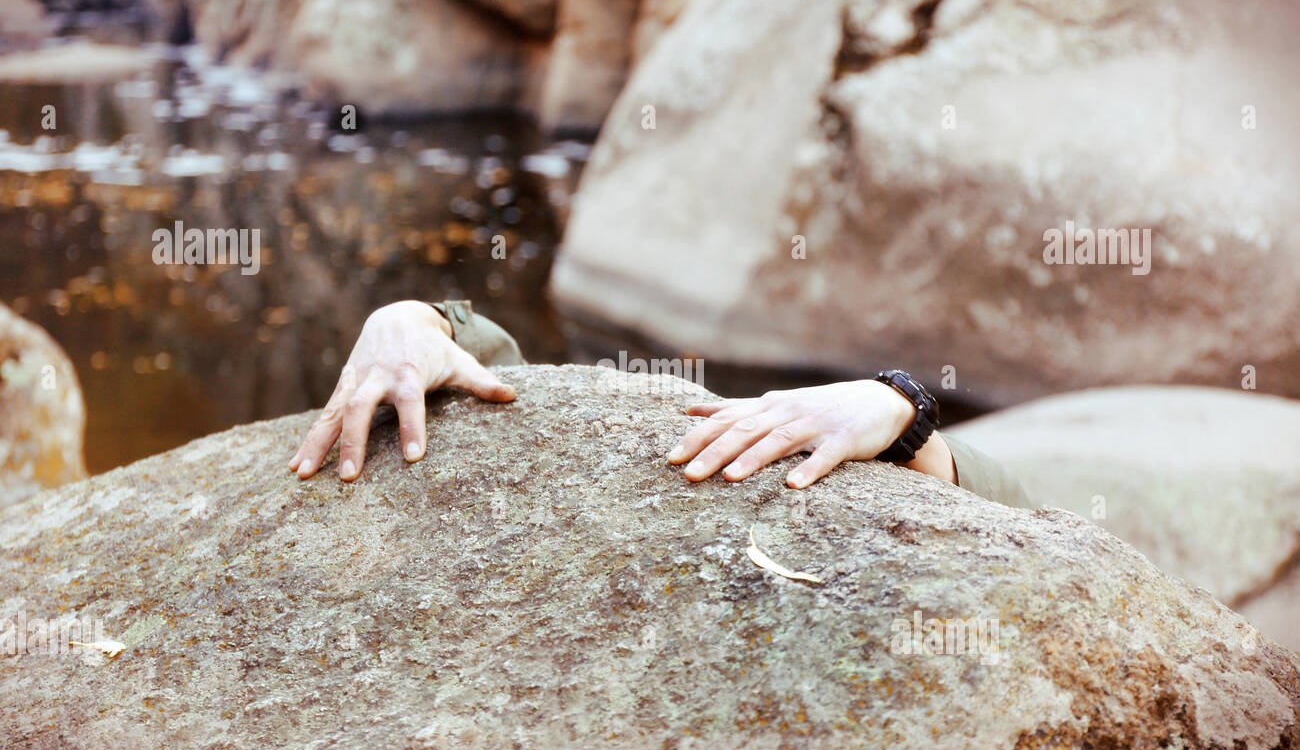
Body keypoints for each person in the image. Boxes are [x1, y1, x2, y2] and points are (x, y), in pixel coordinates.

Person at [288, 299, 1031, 508]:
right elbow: (497, 361)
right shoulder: (515, 392)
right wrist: (411, 319)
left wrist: (899, 406)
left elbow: (1018, 517)